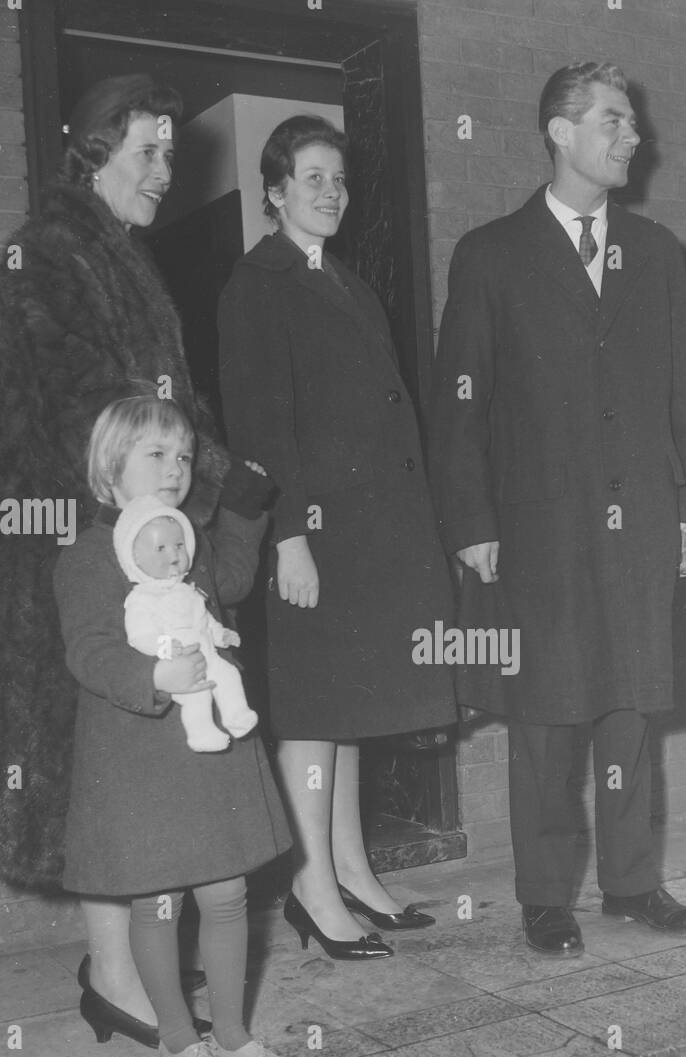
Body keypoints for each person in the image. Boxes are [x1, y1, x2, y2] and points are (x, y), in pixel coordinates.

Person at [428, 62, 686, 957]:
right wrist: (472, 522)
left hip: (640, 522)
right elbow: (459, 405)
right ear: (559, 131)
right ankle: (545, 896)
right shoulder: (489, 253)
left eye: (630, 124)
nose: (633, 138)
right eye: (614, 122)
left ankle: (632, 883)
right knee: (547, 714)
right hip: (537, 531)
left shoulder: (660, 254)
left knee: (629, 709)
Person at [0, 74, 234, 1041]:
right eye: (148, 151)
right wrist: (209, 471)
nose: (166, 173)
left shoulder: (120, 255)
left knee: (136, 756)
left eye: (173, 153)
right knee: (97, 757)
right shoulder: (48, 252)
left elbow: (155, 406)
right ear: (93, 150)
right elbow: (89, 406)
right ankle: (113, 973)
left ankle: (135, 964)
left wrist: (210, 473)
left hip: (132, 538)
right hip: (76, 550)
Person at [218, 115, 457, 962]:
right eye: (311, 178)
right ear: (274, 190)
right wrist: (287, 539)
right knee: (315, 712)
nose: (329, 193)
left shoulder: (349, 284)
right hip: (311, 533)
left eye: (339, 181)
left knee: (352, 706)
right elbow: (259, 427)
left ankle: (352, 866)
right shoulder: (258, 283)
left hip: (368, 535)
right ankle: (310, 887)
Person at [54, 394, 292, 1057]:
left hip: (207, 750)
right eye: (156, 454)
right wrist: (151, 673)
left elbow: (234, 582)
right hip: (138, 757)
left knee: (225, 896)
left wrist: (245, 510)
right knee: (158, 902)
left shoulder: (185, 538)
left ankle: (236, 1034)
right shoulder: (90, 552)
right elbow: (88, 650)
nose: (175, 468)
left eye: (183, 456)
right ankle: (178, 1038)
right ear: (110, 464)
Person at [115, 495, 259, 752]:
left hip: (208, 656)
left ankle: (236, 716)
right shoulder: (142, 598)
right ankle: (201, 734)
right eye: (161, 549)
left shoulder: (188, 592)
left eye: (179, 545)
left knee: (229, 675)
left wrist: (220, 635)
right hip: (178, 665)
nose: (174, 554)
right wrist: (164, 647)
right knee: (198, 698)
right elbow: (139, 635)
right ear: (135, 558)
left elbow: (204, 620)